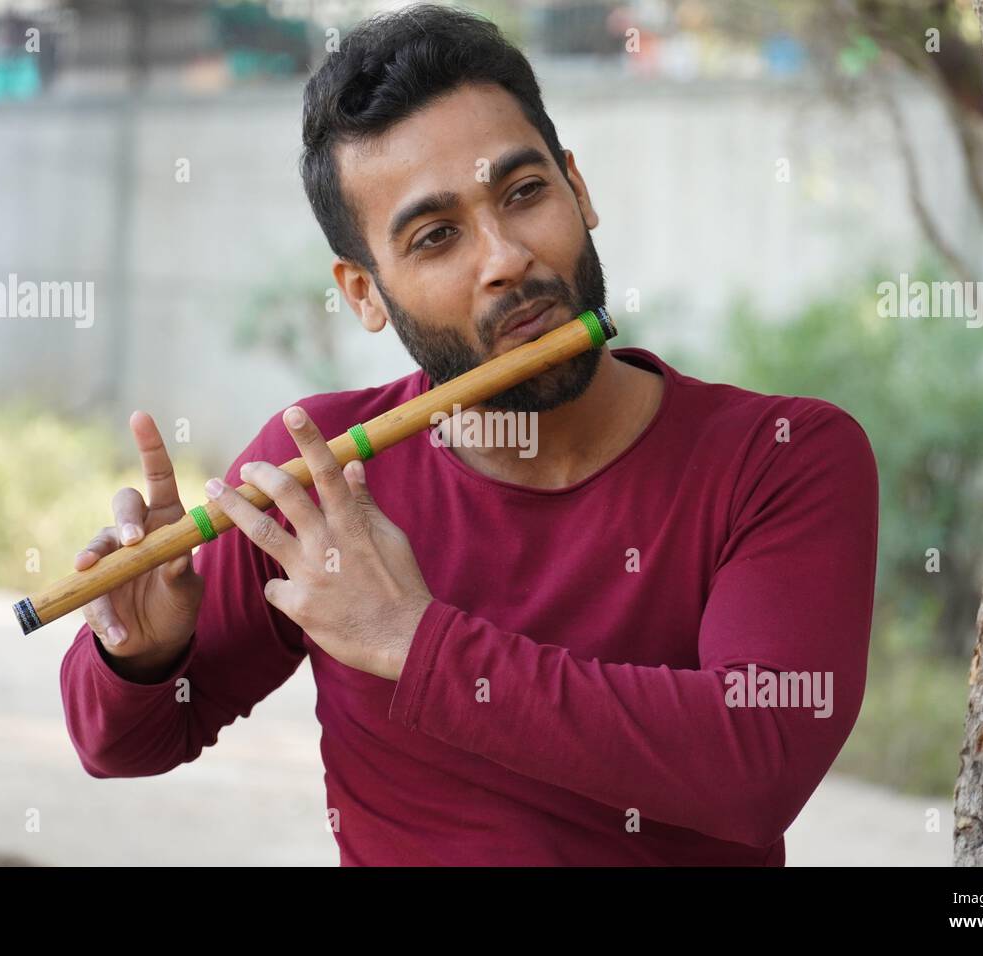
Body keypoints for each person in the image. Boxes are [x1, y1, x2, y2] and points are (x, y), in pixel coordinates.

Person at [59, 3, 879, 866]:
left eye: (524, 194)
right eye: (436, 236)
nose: (506, 258)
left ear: (579, 189)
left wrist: (410, 641)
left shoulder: (783, 456)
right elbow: (123, 746)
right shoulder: (323, 475)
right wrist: (140, 654)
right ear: (365, 293)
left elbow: (754, 766)